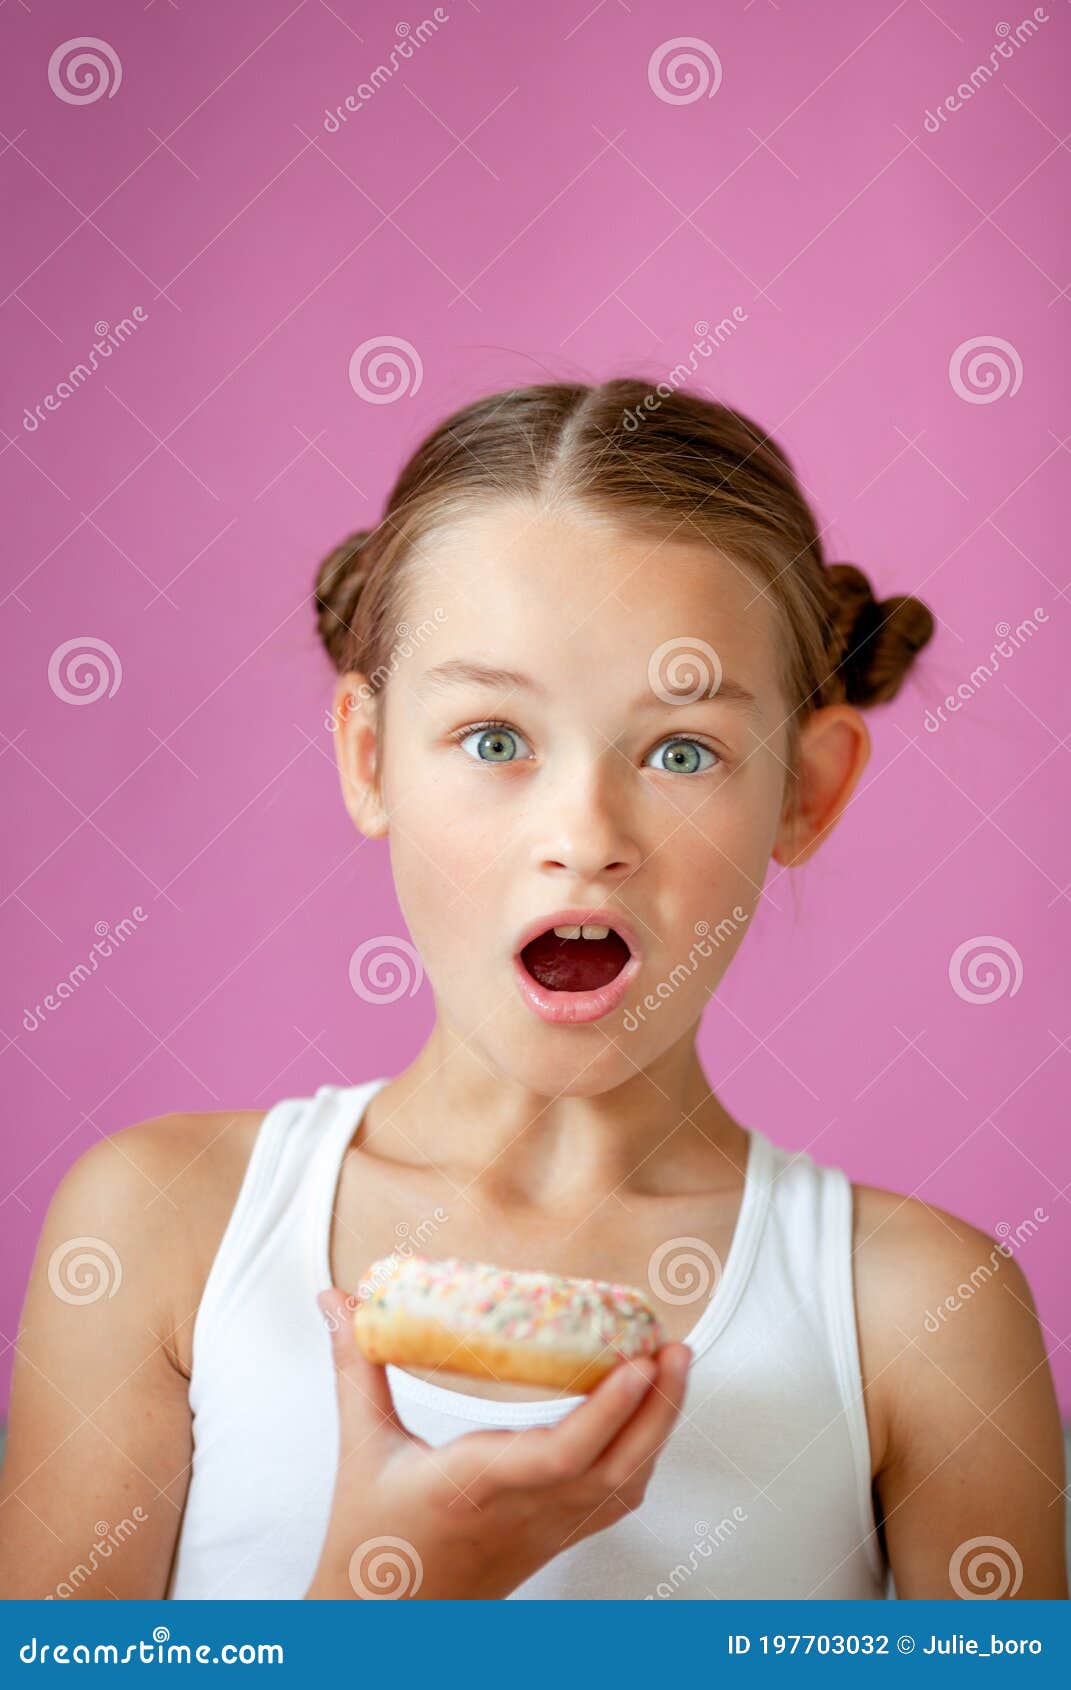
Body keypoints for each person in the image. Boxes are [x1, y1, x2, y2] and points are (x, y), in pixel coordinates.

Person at [1, 381, 1065, 1600]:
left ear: (807, 791)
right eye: (496, 738)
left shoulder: (923, 1309)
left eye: (681, 750)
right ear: (369, 755)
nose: (584, 834)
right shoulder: (159, 1229)